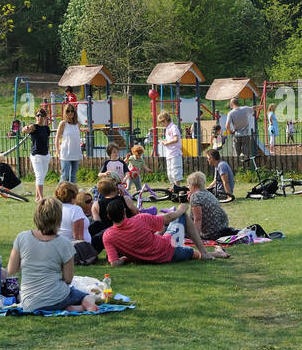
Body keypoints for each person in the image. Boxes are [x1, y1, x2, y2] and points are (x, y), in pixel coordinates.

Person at [8, 197, 98, 313]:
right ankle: (82, 306)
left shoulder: (22, 237)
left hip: (30, 302)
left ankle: (76, 307)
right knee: (87, 296)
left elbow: (11, 269)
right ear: (58, 218)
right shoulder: (65, 243)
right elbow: (68, 279)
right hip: (57, 298)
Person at [101, 194, 229, 265]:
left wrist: (126, 258)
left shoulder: (108, 236)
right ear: (124, 211)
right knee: (181, 217)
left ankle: (216, 253)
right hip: (169, 250)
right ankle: (205, 252)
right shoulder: (141, 219)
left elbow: (114, 263)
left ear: (108, 216)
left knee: (191, 253)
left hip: (150, 256)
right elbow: (167, 218)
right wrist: (182, 209)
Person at [186, 171, 238, 240]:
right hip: (222, 229)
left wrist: (195, 237)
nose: (188, 187)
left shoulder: (195, 196)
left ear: (193, 185)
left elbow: (198, 219)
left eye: (188, 185)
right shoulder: (208, 193)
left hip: (211, 234)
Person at [21, 107, 52, 201]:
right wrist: (26, 128)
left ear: (45, 117)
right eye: (38, 115)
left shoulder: (46, 128)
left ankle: (37, 197)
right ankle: (41, 197)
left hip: (45, 155)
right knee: (39, 176)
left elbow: (47, 141)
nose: (40, 117)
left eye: (42, 115)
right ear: (36, 117)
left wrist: (49, 152)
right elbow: (24, 130)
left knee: (42, 176)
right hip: (36, 155)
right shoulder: (34, 126)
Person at [223, 97, 256, 163]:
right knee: (246, 153)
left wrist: (231, 132)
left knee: (236, 153)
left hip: (237, 135)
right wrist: (261, 107)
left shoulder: (231, 113)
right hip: (246, 135)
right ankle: (247, 167)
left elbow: (227, 125)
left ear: (232, 104)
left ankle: (238, 167)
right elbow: (254, 108)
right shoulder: (245, 109)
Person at [56, 102, 82, 184]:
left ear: (75, 112)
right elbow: (57, 138)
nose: (70, 113)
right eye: (68, 111)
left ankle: (73, 195)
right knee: (65, 175)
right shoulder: (63, 123)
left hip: (76, 153)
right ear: (65, 112)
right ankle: (59, 194)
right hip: (65, 153)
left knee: (73, 176)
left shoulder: (78, 124)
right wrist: (58, 151)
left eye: (72, 111)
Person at [158, 111, 183, 184]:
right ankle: (174, 187)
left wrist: (166, 143)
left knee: (176, 171)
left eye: (162, 122)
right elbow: (168, 140)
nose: (162, 124)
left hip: (175, 153)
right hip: (169, 153)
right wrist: (163, 140)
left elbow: (176, 139)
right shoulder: (168, 128)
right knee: (170, 173)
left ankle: (178, 187)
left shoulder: (173, 127)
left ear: (165, 120)